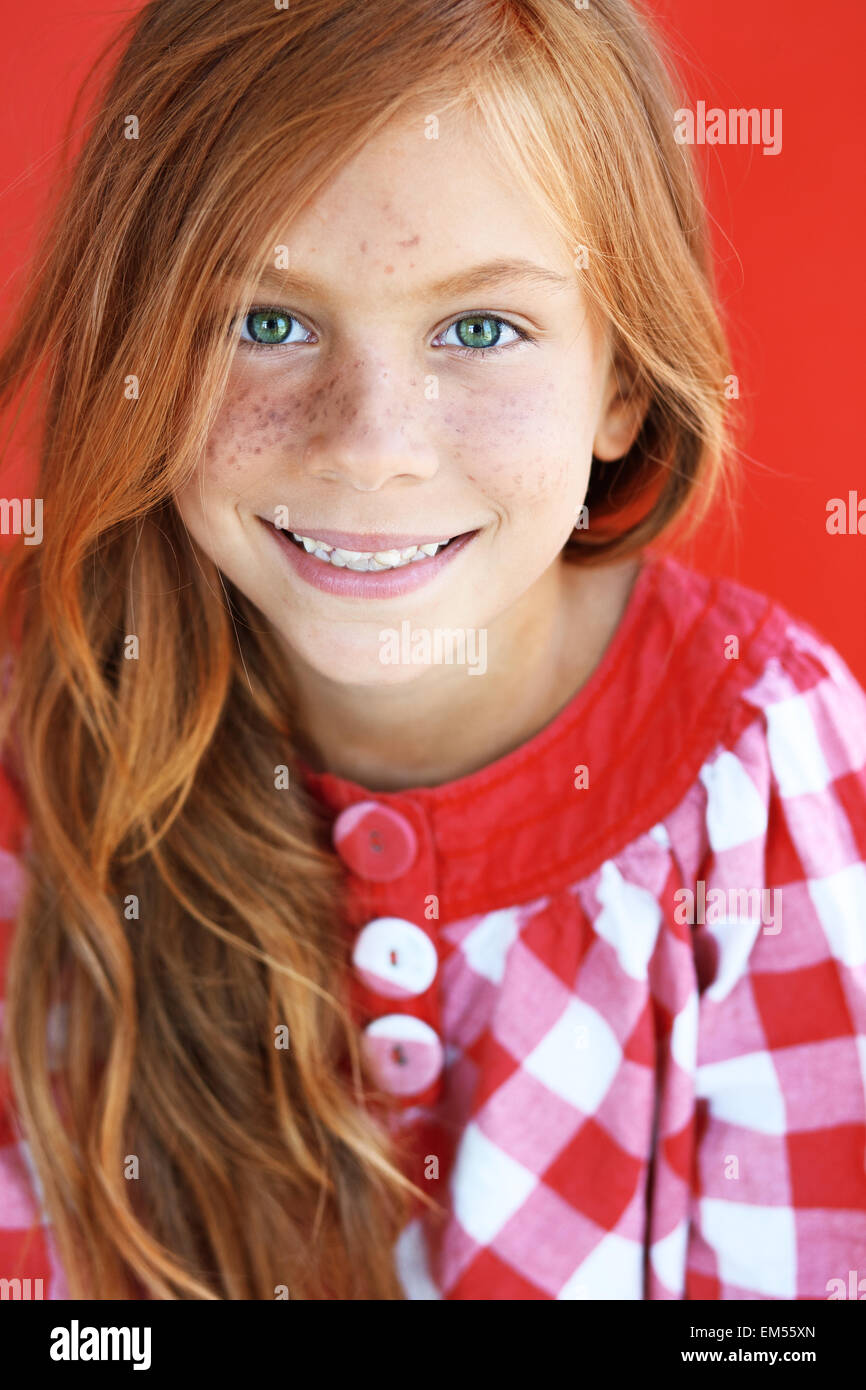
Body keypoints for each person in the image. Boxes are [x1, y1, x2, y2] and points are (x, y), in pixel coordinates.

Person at [0, 0, 863, 1301]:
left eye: (479, 329)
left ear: (620, 380)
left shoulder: (769, 785)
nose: (369, 442)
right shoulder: (40, 753)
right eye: (267, 320)